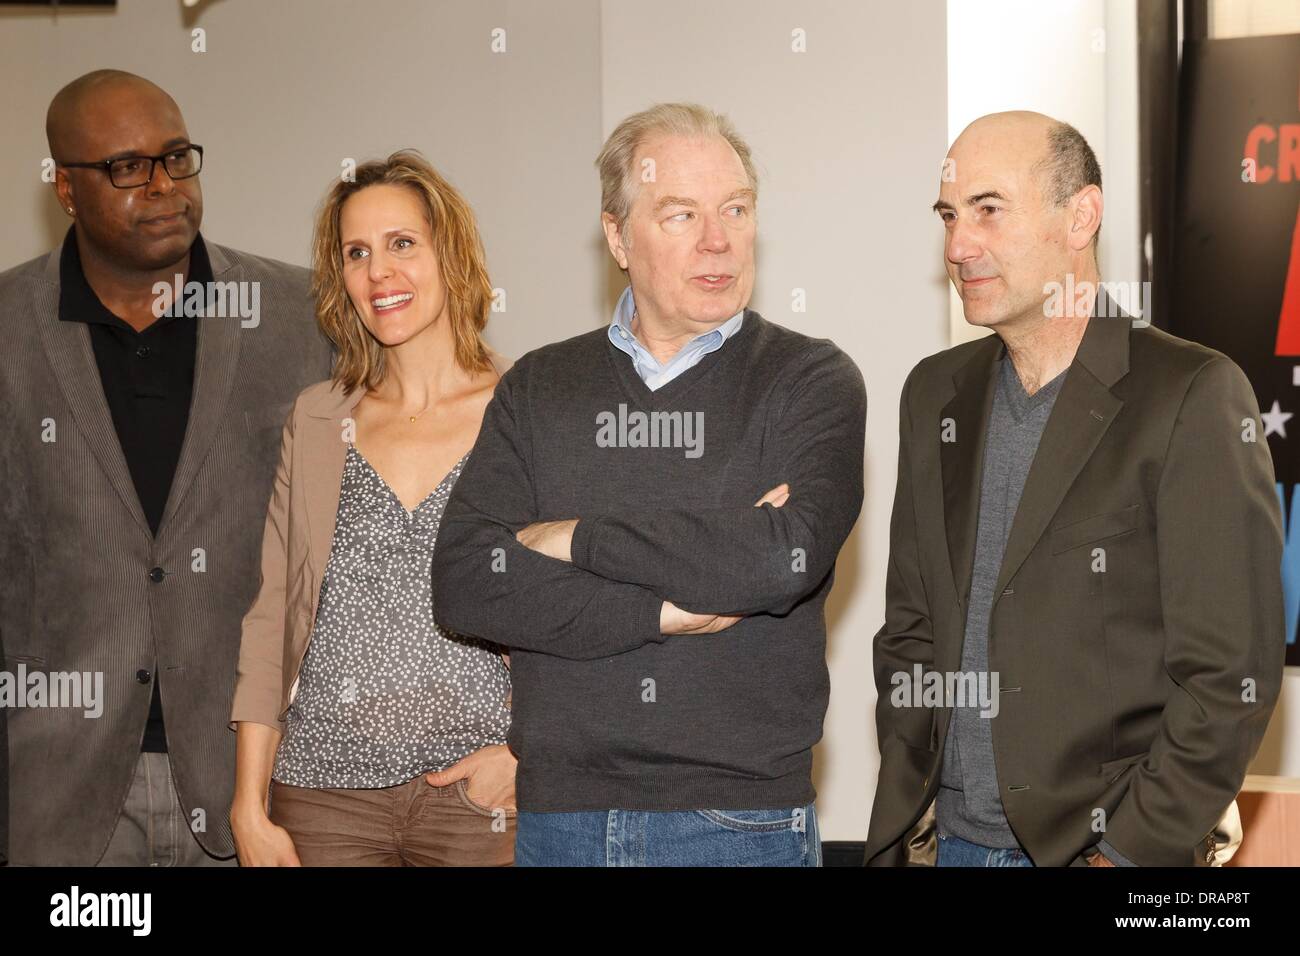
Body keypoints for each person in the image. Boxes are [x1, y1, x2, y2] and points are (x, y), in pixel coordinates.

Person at [430, 103, 866, 867]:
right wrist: (664, 607)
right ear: (617, 237)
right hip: (560, 820)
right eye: (680, 215)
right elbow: (468, 579)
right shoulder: (540, 385)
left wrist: (573, 538)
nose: (719, 240)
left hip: (741, 822)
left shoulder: (811, 380)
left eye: (735, 208)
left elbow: (781, 561)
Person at [865, 111, 1285, 867]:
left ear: (1080, 216)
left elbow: (1230, 679)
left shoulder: (1191, 394)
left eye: (989, 210)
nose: (959, 246)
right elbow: (910, 633)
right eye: (950, 217)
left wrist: (1122, 854)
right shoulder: (933, 395)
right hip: (949, 847)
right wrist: (914, 810)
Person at [0, 69, 332, 866]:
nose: (163, 186)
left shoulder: (303, 314)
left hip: (255, 785)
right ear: (66, 190)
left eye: (177, 158)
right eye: (127, 167)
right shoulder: (8, 329)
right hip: (59, 788)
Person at [230, 151, 516, 866]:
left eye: (401, 244)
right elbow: (273, 616)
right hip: (322, 799)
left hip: (479, 801)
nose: (378, 271)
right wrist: (247, 804)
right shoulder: (321, 417)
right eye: (356, 253)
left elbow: (579, 610)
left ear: (449, 254)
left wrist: (523, 750)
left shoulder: (526, 410)